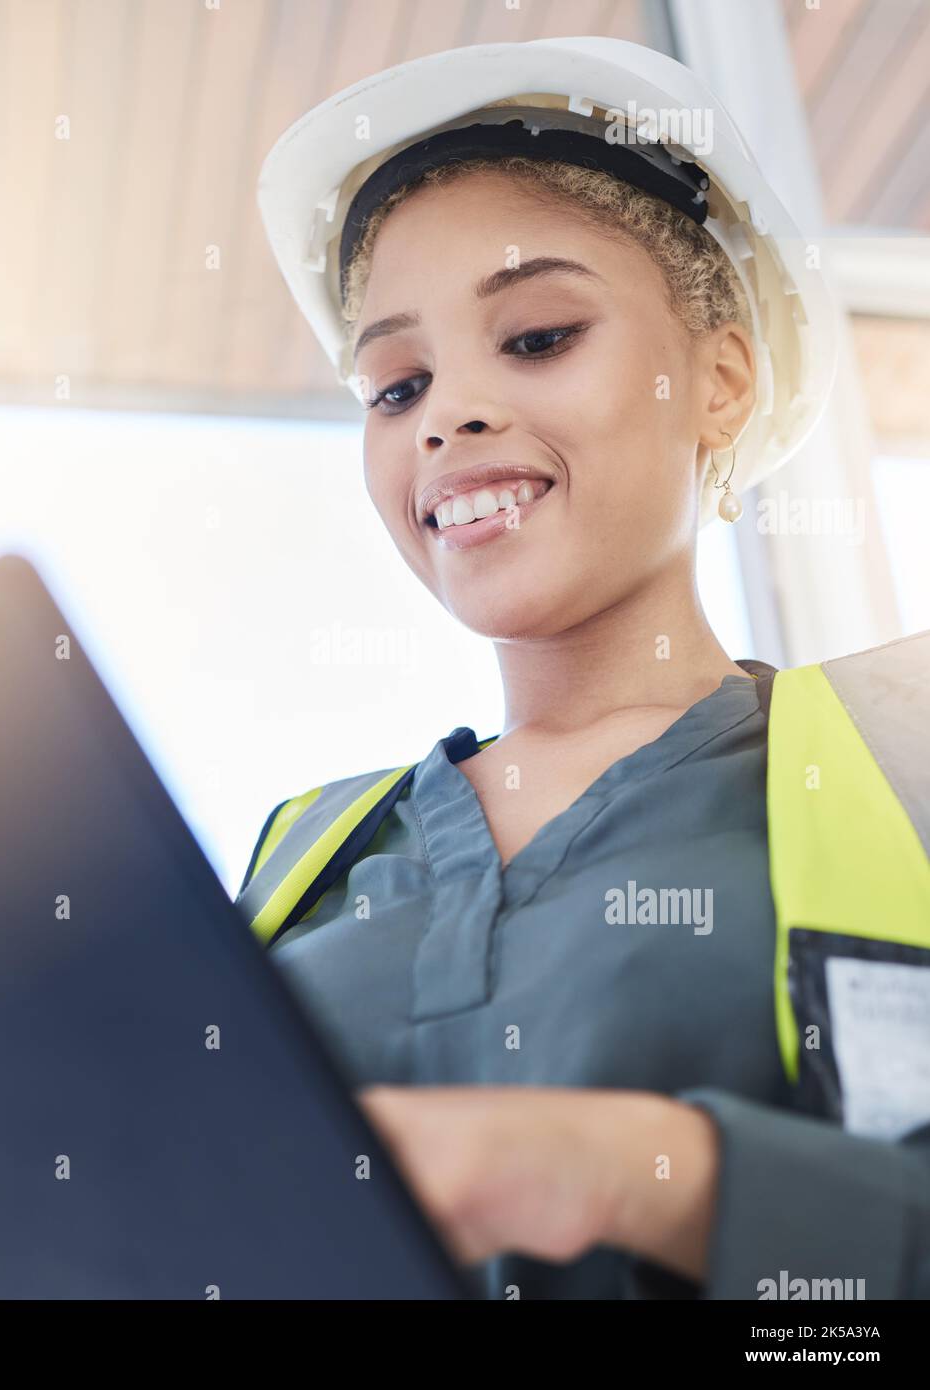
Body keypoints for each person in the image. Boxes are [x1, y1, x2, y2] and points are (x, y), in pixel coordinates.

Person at [240, 37, 930, 1299]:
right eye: (396, 386)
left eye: (539, 335)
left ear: (719, 384)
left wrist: (636, 1170)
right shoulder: (299, 858)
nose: (447, 412)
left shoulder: (909, 760)